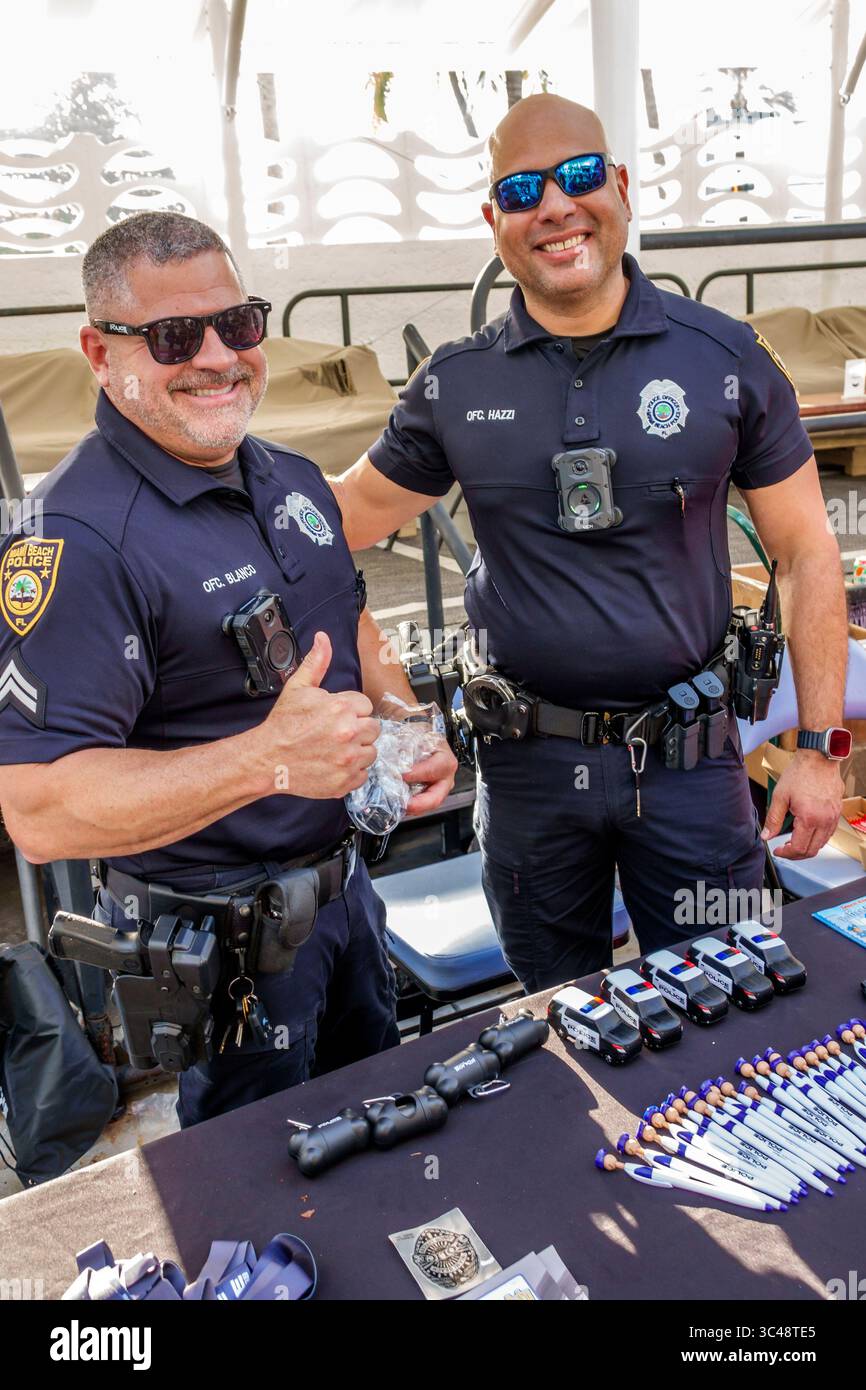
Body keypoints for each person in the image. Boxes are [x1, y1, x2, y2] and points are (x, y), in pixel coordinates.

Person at [330, 94, 847, 992]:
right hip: (529, 777)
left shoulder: (722, 358)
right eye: (524, 190)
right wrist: (391, 699)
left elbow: (807, 554)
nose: (556, 208)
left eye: (576, 178)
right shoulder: (455, 385)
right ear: (495, 221)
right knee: (559, 1027)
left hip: (692, 772)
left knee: (731, 998)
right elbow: (331, 532)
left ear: (621, 188)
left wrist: (816, 749)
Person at [0, 211, 456, 1125]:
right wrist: (268, 761)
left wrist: (403, 724)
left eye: (238, 324)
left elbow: (350, 626)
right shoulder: (71, 540)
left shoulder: (289, 477)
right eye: (175, 336)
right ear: (100, 352)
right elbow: (39, 810)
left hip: (348, 901)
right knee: (253, 1208)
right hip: (219, 952)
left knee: (385, 1145)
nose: (218, 356)